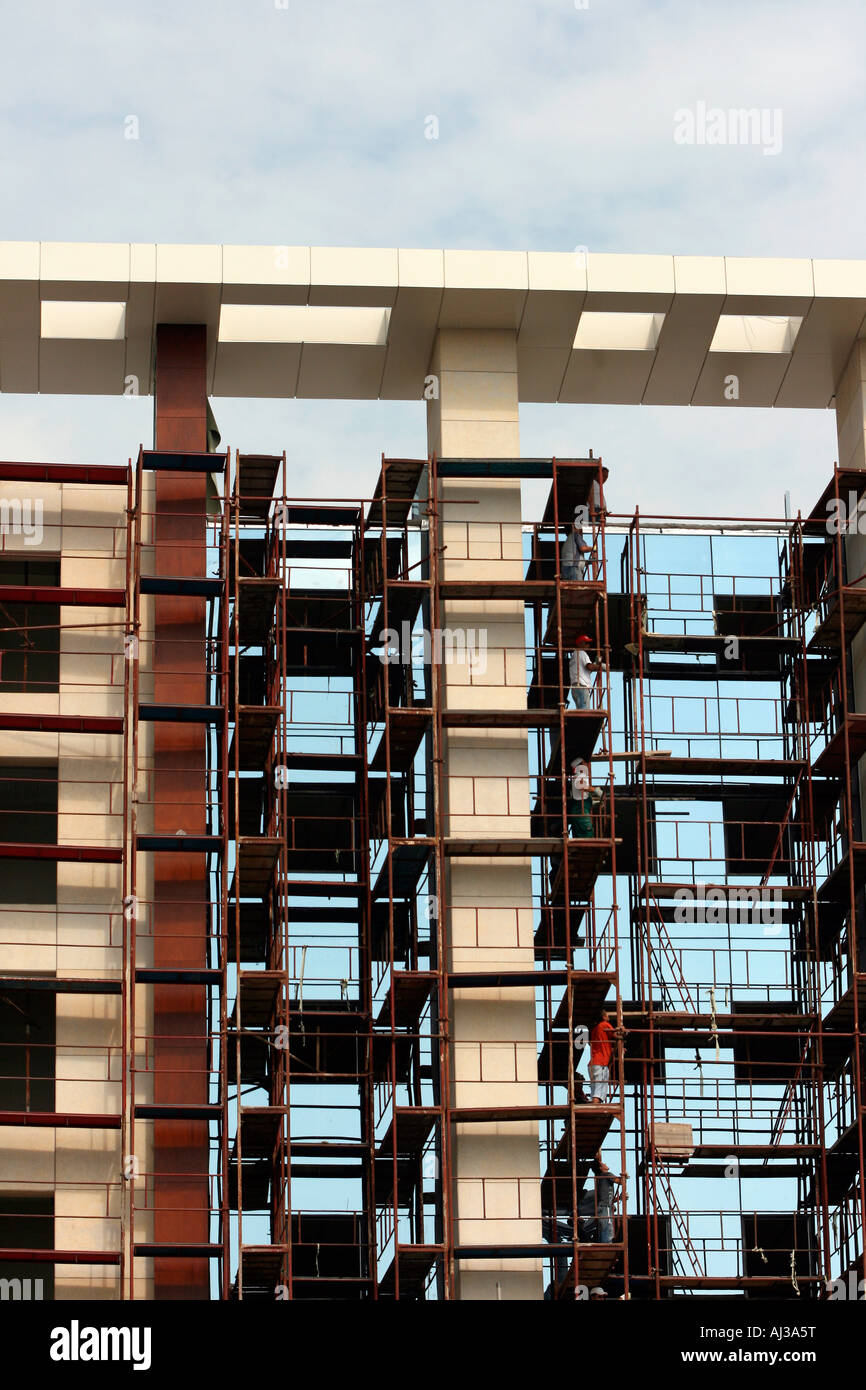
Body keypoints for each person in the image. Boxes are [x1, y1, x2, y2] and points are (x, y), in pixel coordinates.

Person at [588, 1007, 625, 1104]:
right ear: (603, 1017)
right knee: (599, 1090)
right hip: (601, 1063)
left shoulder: (595, 1030)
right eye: (607, 1014)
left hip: (593, 1062)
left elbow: (601, 1046)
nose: (608, 1016)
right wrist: (623, 1031)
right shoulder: (604, 1025)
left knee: (595, 1088)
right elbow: (618, 1035)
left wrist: (617, 1048)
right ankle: (595, 1107)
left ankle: (594, 1105)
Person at [560, 506, 593, 581]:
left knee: (570, 591)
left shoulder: (568, 541)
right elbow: (583, 548)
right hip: (574, 569)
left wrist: (588, 562)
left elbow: (575, 557)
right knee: (578, 589)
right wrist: (593, 548)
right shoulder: (576, 535)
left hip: (566, 569)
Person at [568, 635, 600, 710]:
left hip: (575, 688)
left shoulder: (575, 655)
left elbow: (585, 670)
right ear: (580, 644)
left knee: (581, 710)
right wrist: (600, 666)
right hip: (582, 687)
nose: (588, 645)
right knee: (585, 712)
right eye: (586, 643)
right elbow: (589, 667)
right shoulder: (582, 653)